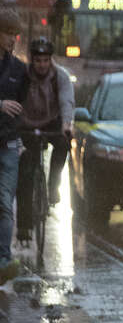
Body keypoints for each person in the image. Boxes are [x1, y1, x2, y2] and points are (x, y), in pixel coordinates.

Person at [16, 37, 74, 241]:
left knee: (64, 143)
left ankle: (53, 186)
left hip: (52, 121)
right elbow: (14, 98)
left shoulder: (61, 77)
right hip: (27, 124)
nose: (42, 65)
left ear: (51, 60)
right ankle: (24, 227)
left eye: (45, 60)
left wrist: (67, 124)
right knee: (26, 170)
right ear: (32, 60)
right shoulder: (22, 76)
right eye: (38, 60)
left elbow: (67, 101)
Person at [0, 10, 29, 283]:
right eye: (9, 33)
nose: (12, 39)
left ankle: (3, 260)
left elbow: (25, 104)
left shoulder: (19, 70)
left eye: (15, 35)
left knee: (5, 204)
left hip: (8, 145)